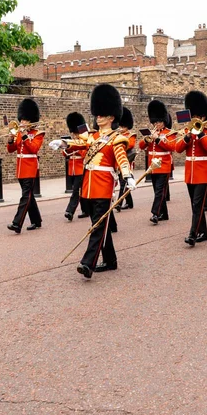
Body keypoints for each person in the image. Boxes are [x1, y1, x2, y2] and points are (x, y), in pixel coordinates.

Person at [77, 84, 135, 279]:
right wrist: (64, 144)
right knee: (99, 224)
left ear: (111, 117)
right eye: (97, 114)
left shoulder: (116, 138)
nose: (98, 117)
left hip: (103, 186)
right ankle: (110, 260)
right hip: (88, 187)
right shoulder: (92, 137)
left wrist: (128, 176)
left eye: (102, 114)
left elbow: (121, 158)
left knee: (97, 227)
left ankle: (88, 263)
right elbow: (80, 147)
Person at [173, 91, 207, 246]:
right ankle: (204, 232)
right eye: (193, 115)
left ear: (203, 117)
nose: (194, 118)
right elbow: (178, 148)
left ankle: (193, 234)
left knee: (197, 205)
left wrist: (200, 135)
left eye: (197, 116)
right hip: (190, 172)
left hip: (203, 171)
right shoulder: (187, 132)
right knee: (196, 205)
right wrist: (187, 137)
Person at [6, 98, 45, 233]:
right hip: (20, 167)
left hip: (30, 167)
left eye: (25, 120)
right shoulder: (17, 133)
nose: (22, 123)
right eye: (21, 120)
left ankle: (17, 223)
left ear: (31, 121)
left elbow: (34, 149)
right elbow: (11, 150)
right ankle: (36, 220)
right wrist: (10, 140)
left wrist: (23, 136)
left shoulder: (38, 134)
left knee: (25, 196)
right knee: (29, 196)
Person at [140, 100, 174, 225]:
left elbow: (172, 147)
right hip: (152, 166)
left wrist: (158, 139)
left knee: (159, 191)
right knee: (157, 191)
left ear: (164, 121)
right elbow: (141, 146)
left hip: (163, 165)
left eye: (159, 122)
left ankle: (155, 213)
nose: (157, 124)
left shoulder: (169, 133)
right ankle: (164, 214)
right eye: (155, 122)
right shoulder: (152, 133)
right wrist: (147, 139)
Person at [60, 112, 90, 221]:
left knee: (76, 191)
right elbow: (65, 154)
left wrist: (75, 147)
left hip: (80, 168)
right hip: (72, 169)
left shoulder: (85, 140)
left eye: (76, 133)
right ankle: (86, 210)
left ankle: (70, 211)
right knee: (79, 190)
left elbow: (84, 154)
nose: (75, 135)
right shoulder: (73, 140)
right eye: (74, 133)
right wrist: (67, 147)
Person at [115, 107, 137, 211]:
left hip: (127, 162)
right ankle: (130, 203)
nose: (121, 128)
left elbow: (130, 144)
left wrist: (119, 144)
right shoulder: (117, 135)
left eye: (123, 126)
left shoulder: (131, 135)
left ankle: (119, 203)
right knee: (124, 183)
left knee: (123, 183)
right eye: (120, 126)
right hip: (118, 162)